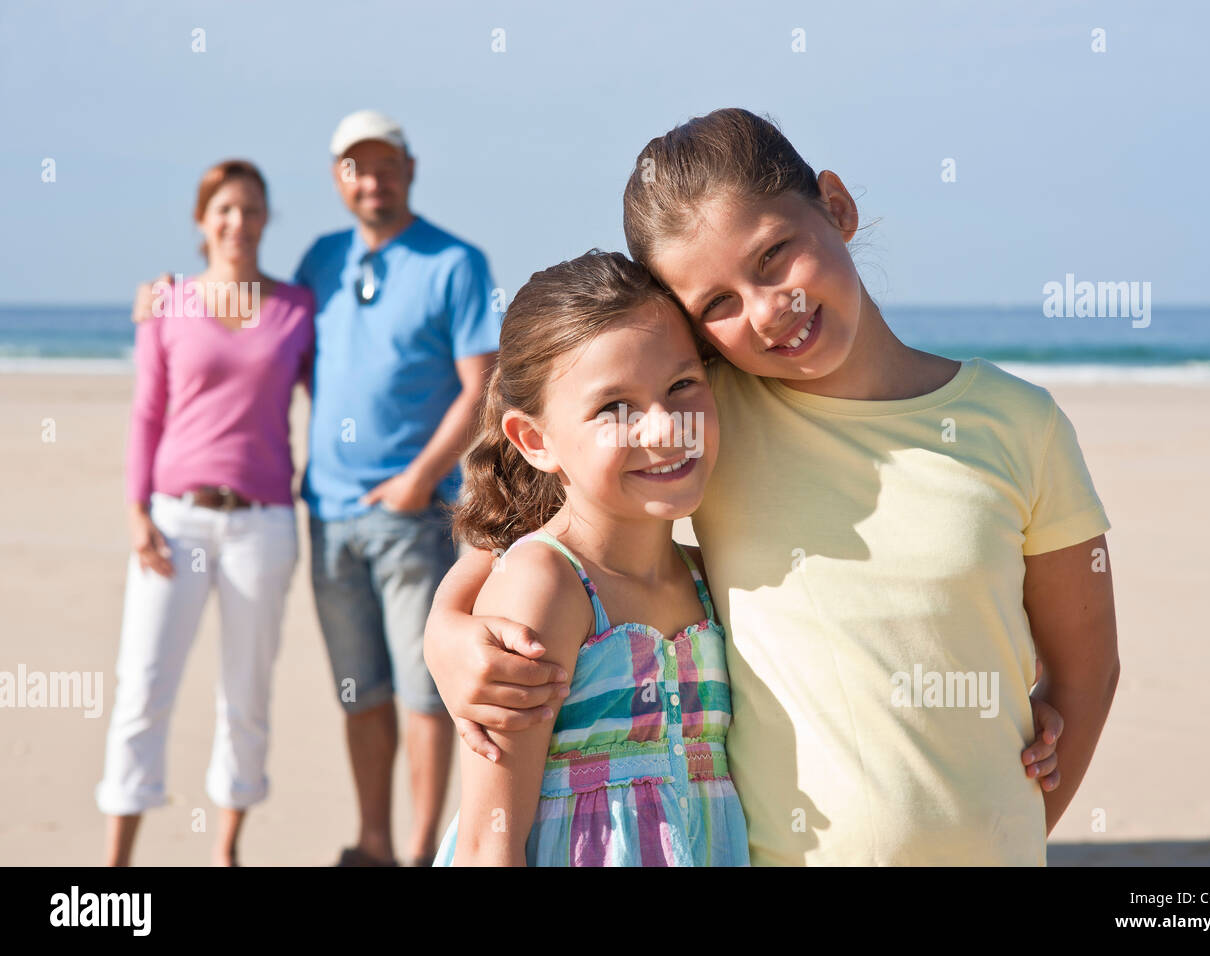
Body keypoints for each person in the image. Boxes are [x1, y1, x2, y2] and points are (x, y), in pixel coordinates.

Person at [426, 108, 1115, 866]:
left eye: (775, 255)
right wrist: (448, 635)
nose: (765, 310)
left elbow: (1086, 671)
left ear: (838, 207)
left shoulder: (1019, 425)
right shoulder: (702, 415)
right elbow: (532, 541)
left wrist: (1008, 826)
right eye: (715, 305)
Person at [433, 250, 748, 866]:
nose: (664, 429)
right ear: (536, 441)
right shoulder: (545, 586)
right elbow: (486, 842)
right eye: (615, 408)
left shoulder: (705, 577)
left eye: (681, 385)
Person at [292, 111, 501, 867]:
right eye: (356, 168)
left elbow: (483, 386)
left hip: (414, 517)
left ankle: (417, 852)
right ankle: (373, 843)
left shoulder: (454, 262)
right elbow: (278, 345)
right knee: (360, 691)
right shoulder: (319, 260)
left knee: (422, 691)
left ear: (410, 169)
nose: (371, 181)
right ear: (338, 179)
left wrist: (417, 480)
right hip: (328, 514)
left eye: (385, 166)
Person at [100, 159, 315, 866]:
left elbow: (343, 391)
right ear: (202, 220)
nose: (238, 223)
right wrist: (135, 513)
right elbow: (145, 415)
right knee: (144, 687)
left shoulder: (295, 309)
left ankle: (225, 851)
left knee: (245, 697)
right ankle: (116, 861)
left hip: (264, 525)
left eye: (252, 209)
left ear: (266, 218)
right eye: (224, 209)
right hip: (175, 520)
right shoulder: (165, 305)